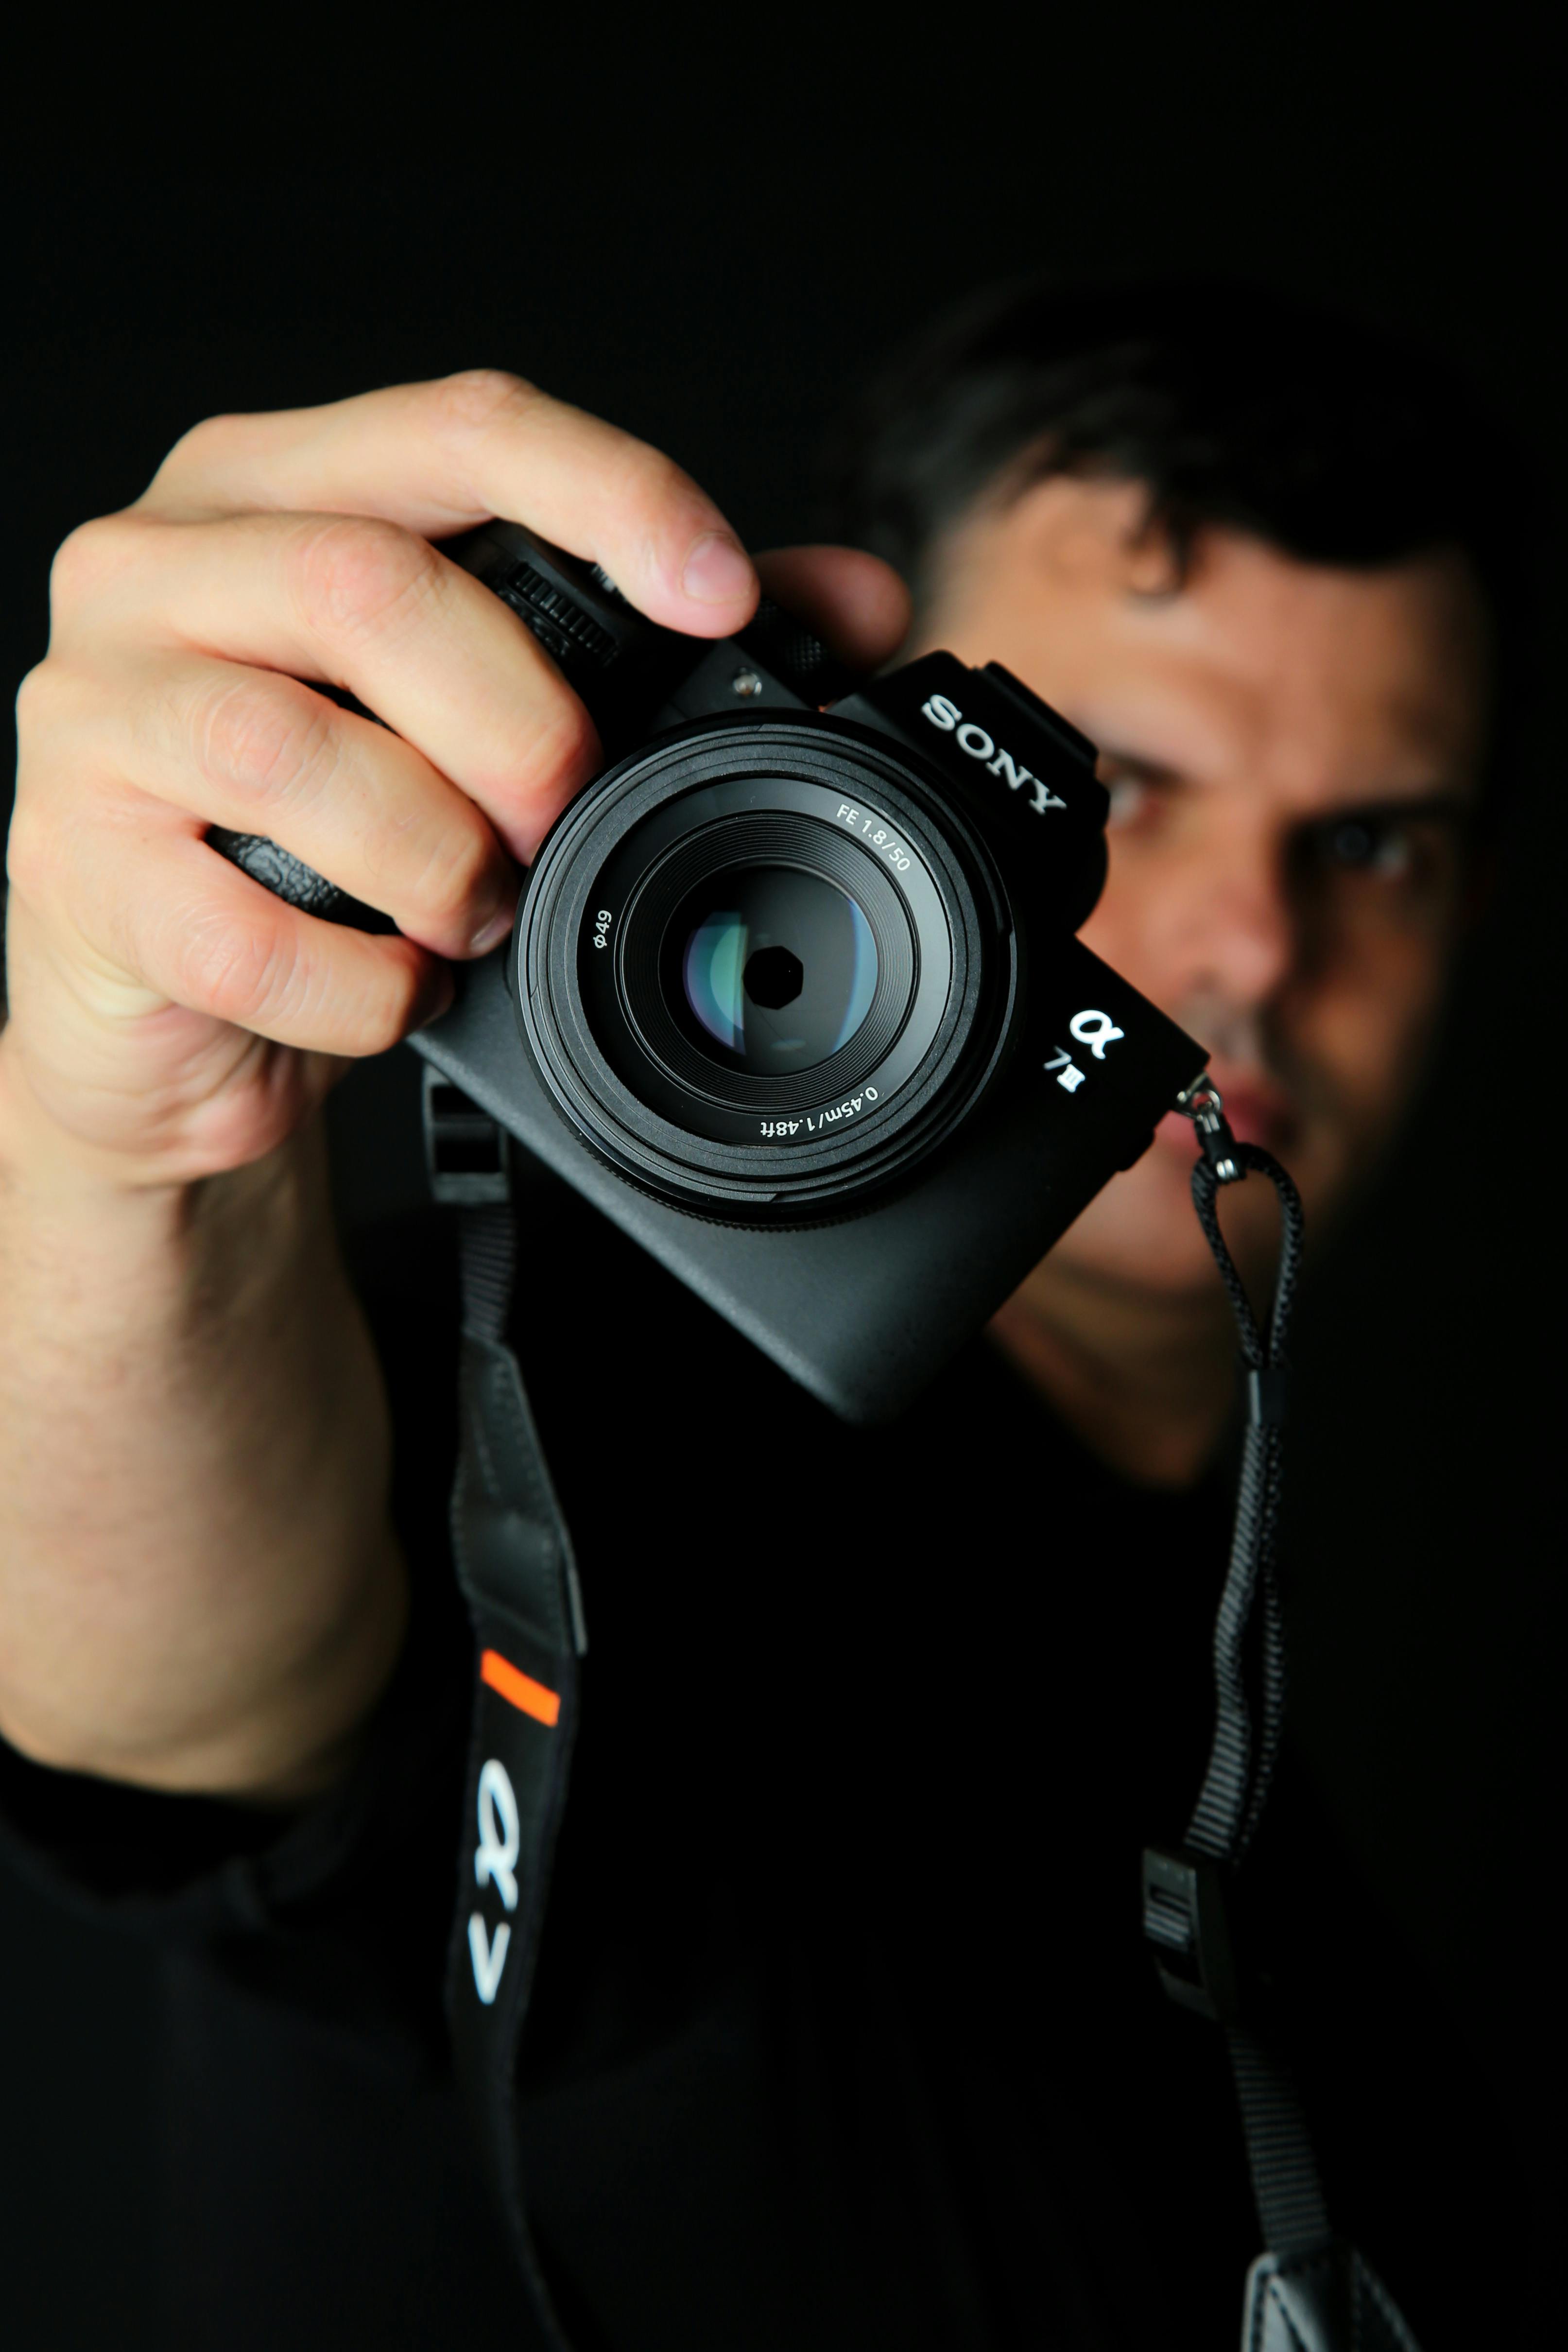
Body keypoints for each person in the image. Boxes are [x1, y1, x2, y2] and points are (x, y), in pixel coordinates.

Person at [0, 282, 1525, 2348]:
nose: (1255, 946)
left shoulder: (1270, 1719)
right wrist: (131, 1141)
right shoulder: (517, 1391)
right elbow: (172, 1693)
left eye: (1373, 840)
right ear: (860, 761)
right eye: (1122, 784)